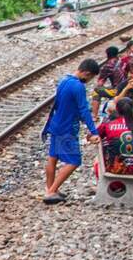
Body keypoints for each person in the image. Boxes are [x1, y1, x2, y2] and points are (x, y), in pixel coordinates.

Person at [41, 57, 101, 204]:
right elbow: (84, 110)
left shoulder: (64, 80)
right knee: (74, 161)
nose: (89, 80)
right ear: (86, 73)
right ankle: (51, 191)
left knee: (53, 157)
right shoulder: (78, 86)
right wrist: (94, 130)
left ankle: (50, 189)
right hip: (67, 127)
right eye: (91, 77)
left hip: (56, 124)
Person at [97, 94, 133, 177]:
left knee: (99, 156)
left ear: (117, 110)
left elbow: (94, 136)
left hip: (114, 168)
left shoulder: (108, 124)